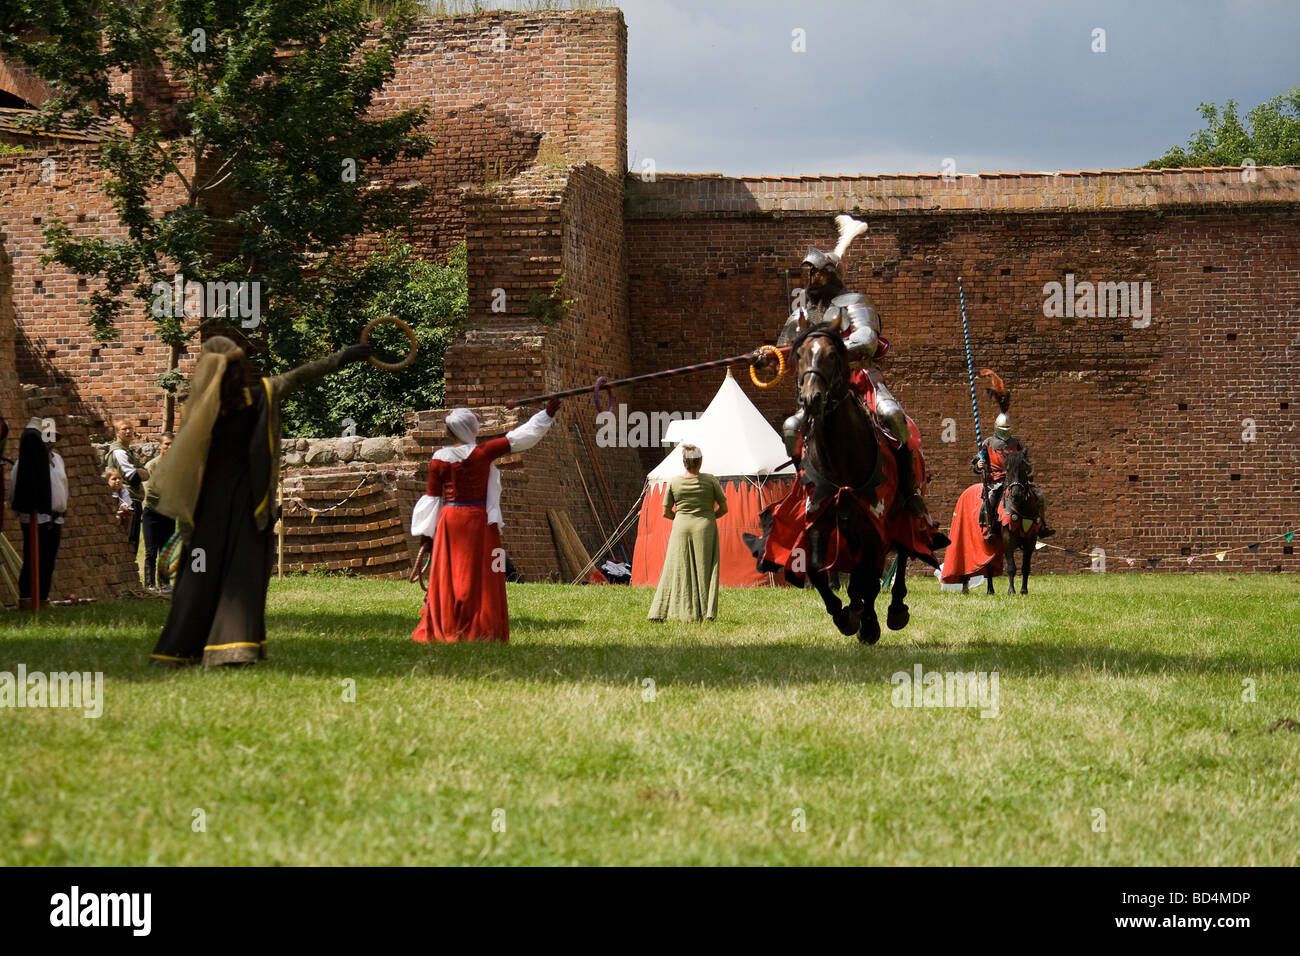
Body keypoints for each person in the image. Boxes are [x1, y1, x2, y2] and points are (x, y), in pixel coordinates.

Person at [148, 335, 370, 666]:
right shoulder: (258, 396)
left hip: (207, 509)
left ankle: (180, 648)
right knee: (242, 571)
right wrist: (346, 356)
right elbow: (301, 374)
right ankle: (235, 646)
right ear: (237, 368)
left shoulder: (197, 412)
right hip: (246, 503)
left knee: (199, 574)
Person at [773, 214, 939, 533]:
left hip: (859, 379)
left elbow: (866, 338)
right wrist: (766, 357)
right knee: (792, 427)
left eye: (819, 274)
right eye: (810, 274)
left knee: (894, 416)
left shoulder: (855, 302)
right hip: (819, 384)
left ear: (833, 275)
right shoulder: (801, 314)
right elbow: (787, 350)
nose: (813, 280)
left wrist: (833, 353)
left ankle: (910, 492)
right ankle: (806, 486)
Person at [408, 400, 559, 643]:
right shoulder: (484, 452)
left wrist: (427, 535)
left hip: (451, 521)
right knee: (484, 573)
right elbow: (520, 437)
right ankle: (483, 626)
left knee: (452, 571)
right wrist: (547, 414)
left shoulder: (439, 459)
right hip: (479, 520)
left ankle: (449, 623)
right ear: (473, 429)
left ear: (450, 431)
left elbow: (432, 498)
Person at [648, 444, 727, 622]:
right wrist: (708, 517)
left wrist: (681, 518)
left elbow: (665, 512)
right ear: (700, 461)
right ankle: (705, 612)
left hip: (680, 528)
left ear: (684, 462)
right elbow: (724, 508)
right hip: (705, 527)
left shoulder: (674, 482)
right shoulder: (710, 480)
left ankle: (665, 612)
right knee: (705, 570)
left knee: (677, 568)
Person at [7, 418, 67, 606]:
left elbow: (63, 485)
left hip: (55, 518)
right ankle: (27, 598)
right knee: (33, 558)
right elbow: (16, 489)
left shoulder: (58, 459)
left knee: (48, 560)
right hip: (35, 517)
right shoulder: (24, 463)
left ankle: (43, 598)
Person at [104, 420, 148, 555]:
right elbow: (133, 478)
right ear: (117, 432)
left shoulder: (130, 451)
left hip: (134, 498)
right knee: (129, 541)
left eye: (130, 428)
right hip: (126, 499)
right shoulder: (118, 451)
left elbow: (147, 474)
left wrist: (141, 471)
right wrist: (140, 471)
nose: (128, 432)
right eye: (124, 429)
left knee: (134, 539)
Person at [141, 432, 175, 590]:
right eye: (167, 444)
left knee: (166, 550)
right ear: (160, 445)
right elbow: (149, 491)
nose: (170, 447)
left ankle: (164, 582)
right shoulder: (152, 465)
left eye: (172, 444)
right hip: (152, 512)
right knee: (151, 550)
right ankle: (149, 584)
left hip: (169, 512)